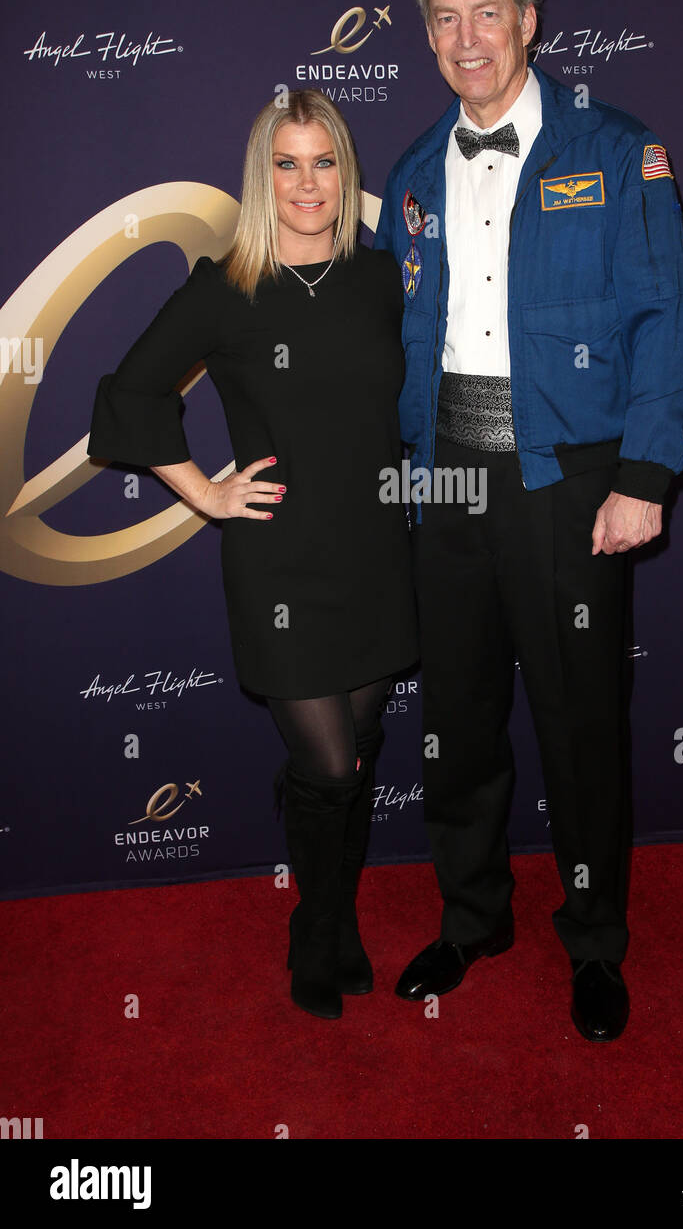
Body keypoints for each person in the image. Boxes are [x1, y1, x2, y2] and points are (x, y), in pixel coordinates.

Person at [373, 0, 683, 1040]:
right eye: (445, 19)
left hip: (569, 480)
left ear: (528, 18)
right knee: (459, 721)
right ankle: (473, 918)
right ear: (428, 38)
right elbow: (401, 345)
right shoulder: (415, 175)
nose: (468, 39)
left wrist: (646, 475)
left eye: (487, 13)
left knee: (579, 725)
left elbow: (670, 324)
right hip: (450, 480)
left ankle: (595, 939)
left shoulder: (618, 151)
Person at [88, 90, 419, 1020]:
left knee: (360, 749)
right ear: (262, 176)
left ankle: (338, 917)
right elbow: (129, 394)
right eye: (287, 163)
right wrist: (206, 492)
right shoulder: (223, 284)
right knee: (326, 768)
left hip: (373, 551)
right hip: (280, 563)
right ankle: (314, 931)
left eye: (322, 163)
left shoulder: (381, 278)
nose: (307, 183)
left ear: (343, 172)